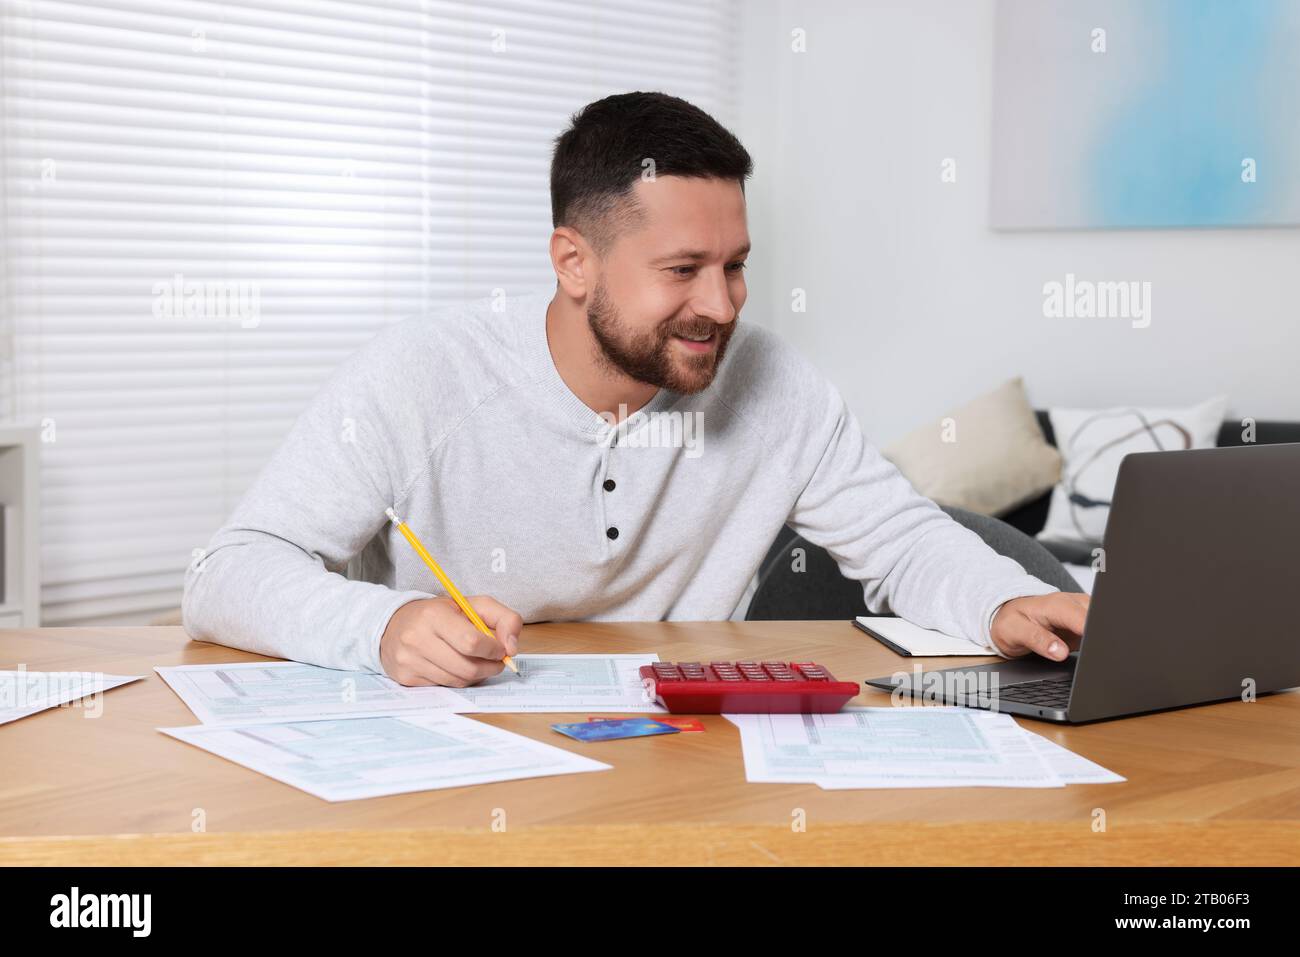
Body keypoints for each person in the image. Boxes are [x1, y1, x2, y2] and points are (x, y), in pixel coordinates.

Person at [183, 91, 1088, 687]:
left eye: (736, 266)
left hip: (679, 757)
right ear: (574, 262)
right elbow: (228, 574)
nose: (722, 303)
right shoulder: (420, 375)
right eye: (684, 269)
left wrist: (1000, 601)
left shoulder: (777, 385)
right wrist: (384, 626)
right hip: (455, 757)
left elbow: (901, 544)